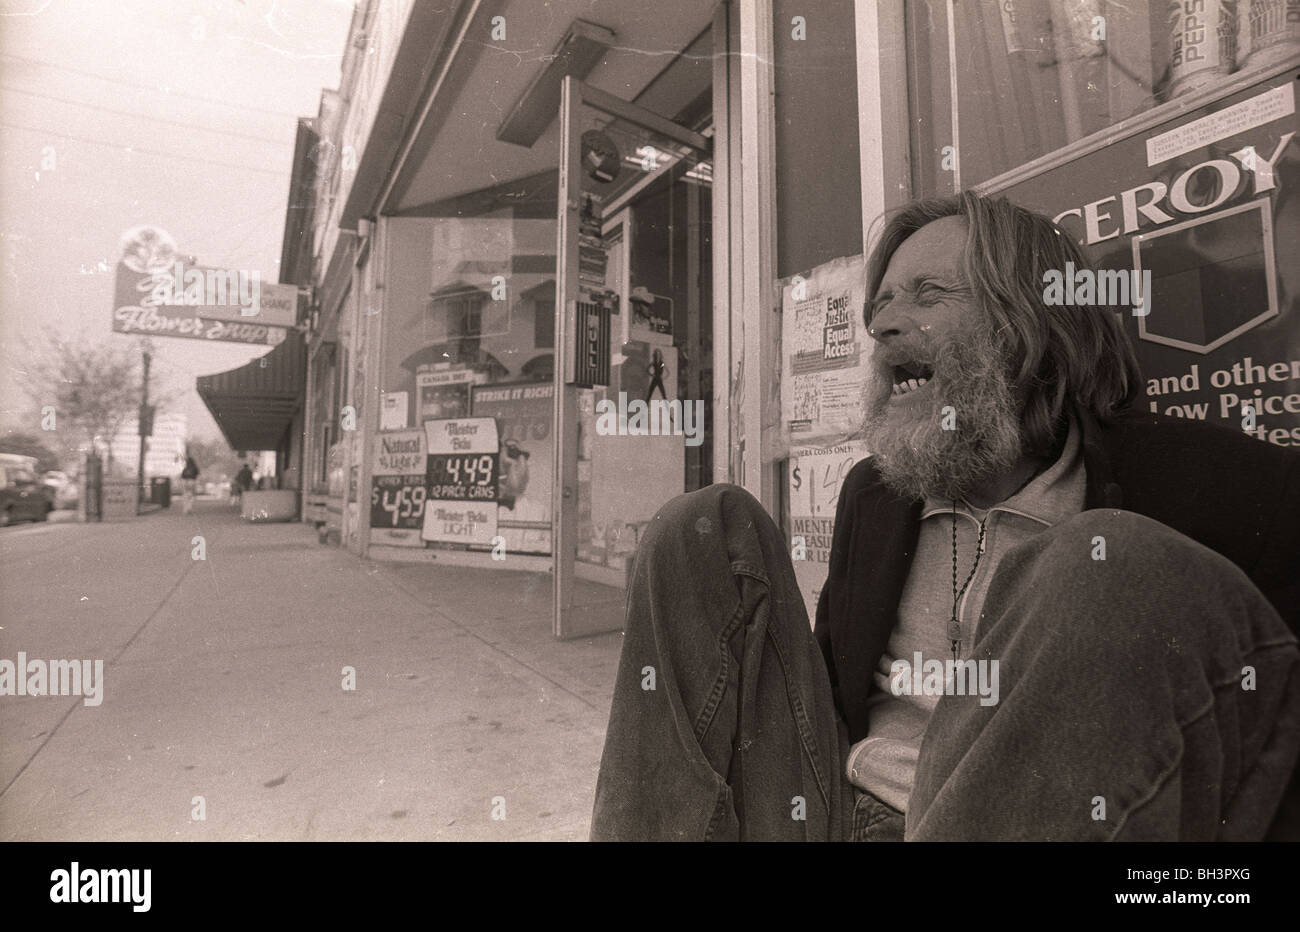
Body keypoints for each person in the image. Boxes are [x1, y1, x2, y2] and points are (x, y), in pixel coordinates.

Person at [590, 191, 1300, 842]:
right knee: (702, 528)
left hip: (1023, 816)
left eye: (928, 294)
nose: (882, 322)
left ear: (1032, 323)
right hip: (838, 806)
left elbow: (1264, 725)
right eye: (885, 301)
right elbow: (833, 691)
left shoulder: (1215, 484)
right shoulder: (878, 492)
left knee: (1106, 558)